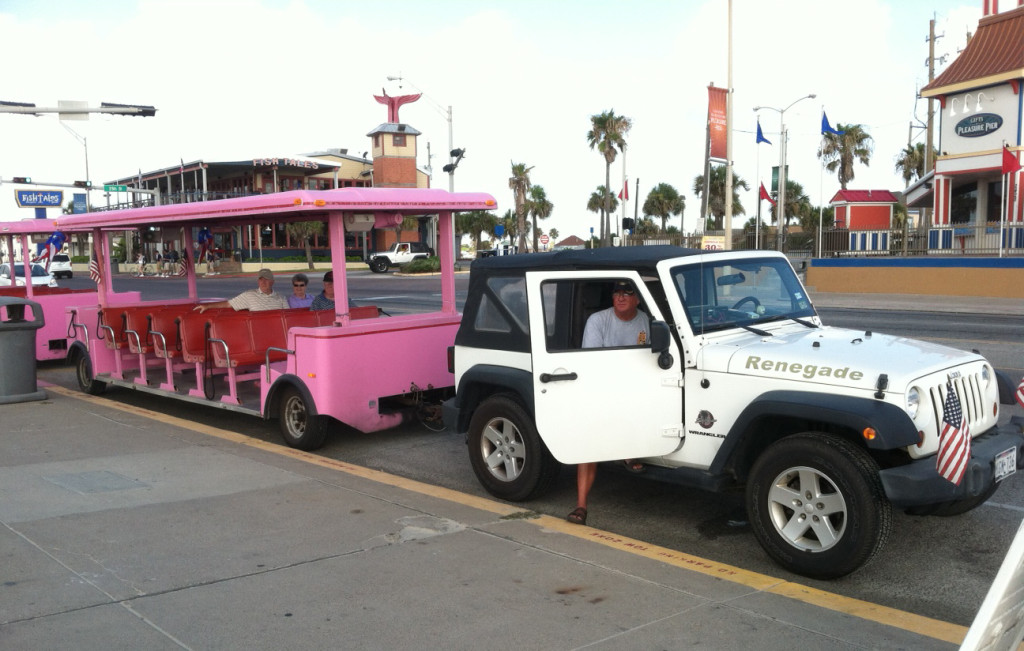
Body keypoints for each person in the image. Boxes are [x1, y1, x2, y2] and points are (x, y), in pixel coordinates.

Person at [566, 280, 650, 527]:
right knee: (588, 447)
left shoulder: (645, 320)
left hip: (633, 388)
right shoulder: (597, 321)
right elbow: (593, 364)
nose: (621, 297)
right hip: (599, 387)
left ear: (637, 299)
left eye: (628, 292)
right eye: (616, 292)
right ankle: (581, 506)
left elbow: (648, 357)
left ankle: (628, 450)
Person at [193, 268, 287, 313]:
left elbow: (287, 317)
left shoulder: (281, 298)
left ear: (272, 282)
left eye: (266, 279)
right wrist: (208, 306)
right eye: (261, 279)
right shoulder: (249, 295)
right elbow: (228, 304)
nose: (263, 282)